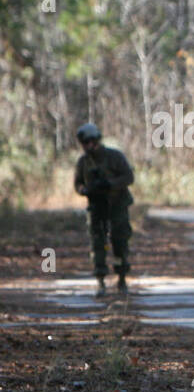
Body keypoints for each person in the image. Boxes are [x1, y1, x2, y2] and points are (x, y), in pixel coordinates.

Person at [72, 123, 134, 297]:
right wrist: (85, 190)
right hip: (96, 207)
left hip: (117, 205)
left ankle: (121, 278)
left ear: (95, 141)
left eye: (88, 142)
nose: (86, 146)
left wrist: (110, 184)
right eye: (83, 143)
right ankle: (100, 280)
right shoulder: (83, 162)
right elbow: (77, 183)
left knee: (120, 241)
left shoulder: (114, 157)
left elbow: (128, 177)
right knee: (97, 243)